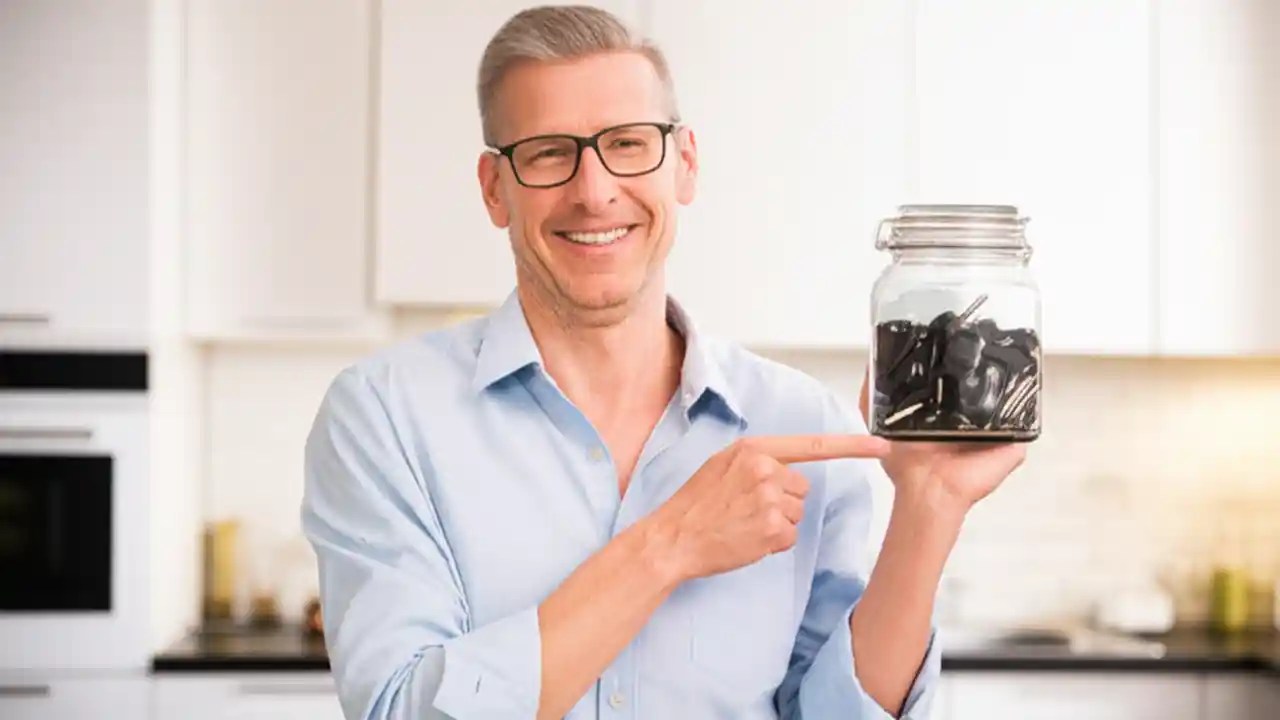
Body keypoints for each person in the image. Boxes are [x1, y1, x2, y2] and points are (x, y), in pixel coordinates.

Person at [302, 6, 1025, 719]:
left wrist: (930, 509)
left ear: (685, 164)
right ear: (496, 189)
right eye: (550, 152)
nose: (593, 192)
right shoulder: (384, 417)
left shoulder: (803, 426)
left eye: (627, 143)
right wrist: (669, 544)